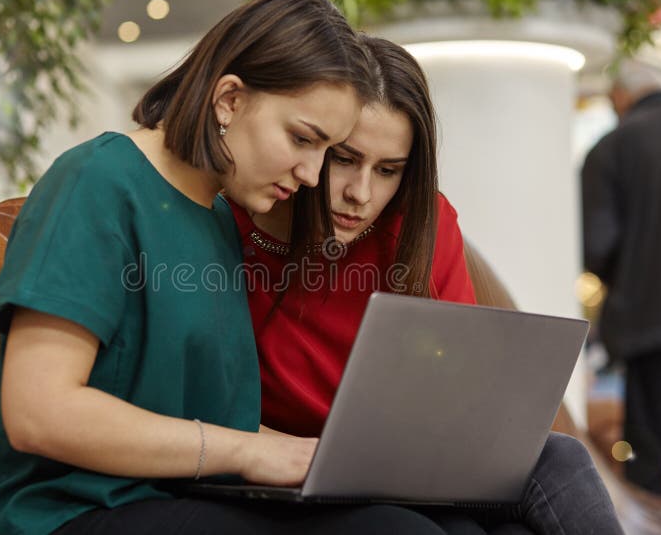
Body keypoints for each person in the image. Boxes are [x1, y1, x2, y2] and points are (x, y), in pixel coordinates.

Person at [0, 0, 452, 534]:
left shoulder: (219, 217)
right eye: (302, 139)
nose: (314, 175)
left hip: (181, 499)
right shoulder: (95, 182)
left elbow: (219, 423)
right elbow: (39, 412)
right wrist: (248, 453)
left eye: (327, 150)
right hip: (71, 513)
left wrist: (318, 456)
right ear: (228, 100)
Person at [230, 35, 624, 534]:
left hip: (418, 462)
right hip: (302, 473)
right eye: (345, 159)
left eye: (389, 170)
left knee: (560, 457)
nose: (361, 193)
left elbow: (466, 386)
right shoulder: (241, 231)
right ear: (315, 144)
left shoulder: (422, 224)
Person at [582, 59, 661, 497]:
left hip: (650, 322)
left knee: (651, 466)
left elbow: (597, 244)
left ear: (620, 98)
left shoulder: (613, 147)